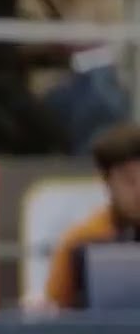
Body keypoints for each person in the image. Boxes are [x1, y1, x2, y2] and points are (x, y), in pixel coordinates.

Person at [41, 122, 140, 310]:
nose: (139, 190)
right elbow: (55, 309)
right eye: (128, 180)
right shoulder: (81, 239)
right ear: (108, 183)